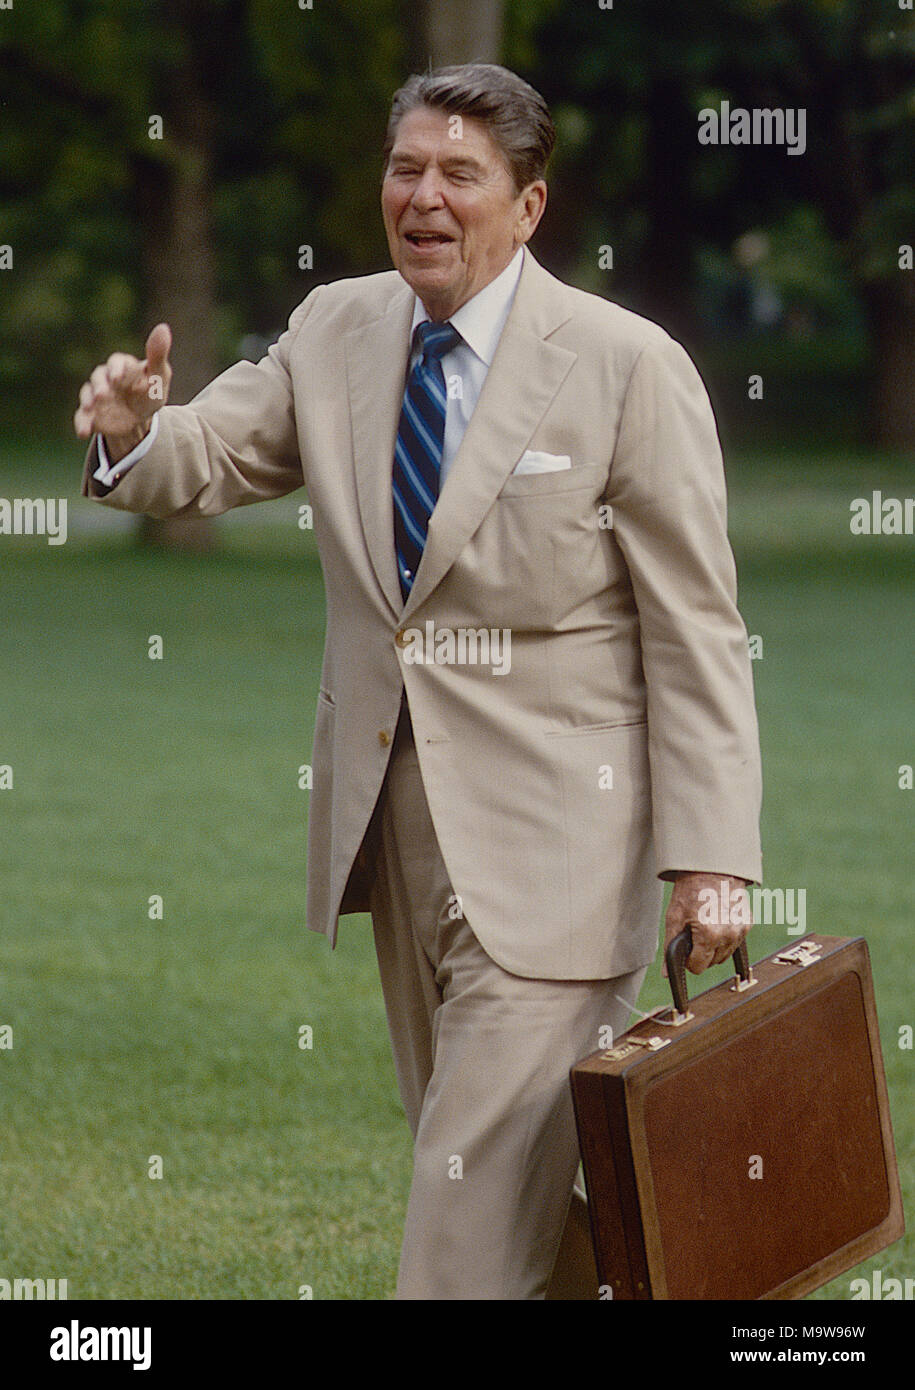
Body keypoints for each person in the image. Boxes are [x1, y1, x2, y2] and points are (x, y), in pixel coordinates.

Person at [74, 63, 762, 1300]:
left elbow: (698, 628)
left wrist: (712, 855)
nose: (424, 197)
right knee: (524, 1201)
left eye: (460, 175)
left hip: (564, 848)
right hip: (392, 842)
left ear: (530, 206)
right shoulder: (336, 327)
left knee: (462, 1205)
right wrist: (132, 429)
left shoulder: (625, 365)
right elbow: (213, 453)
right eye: (406, 169)